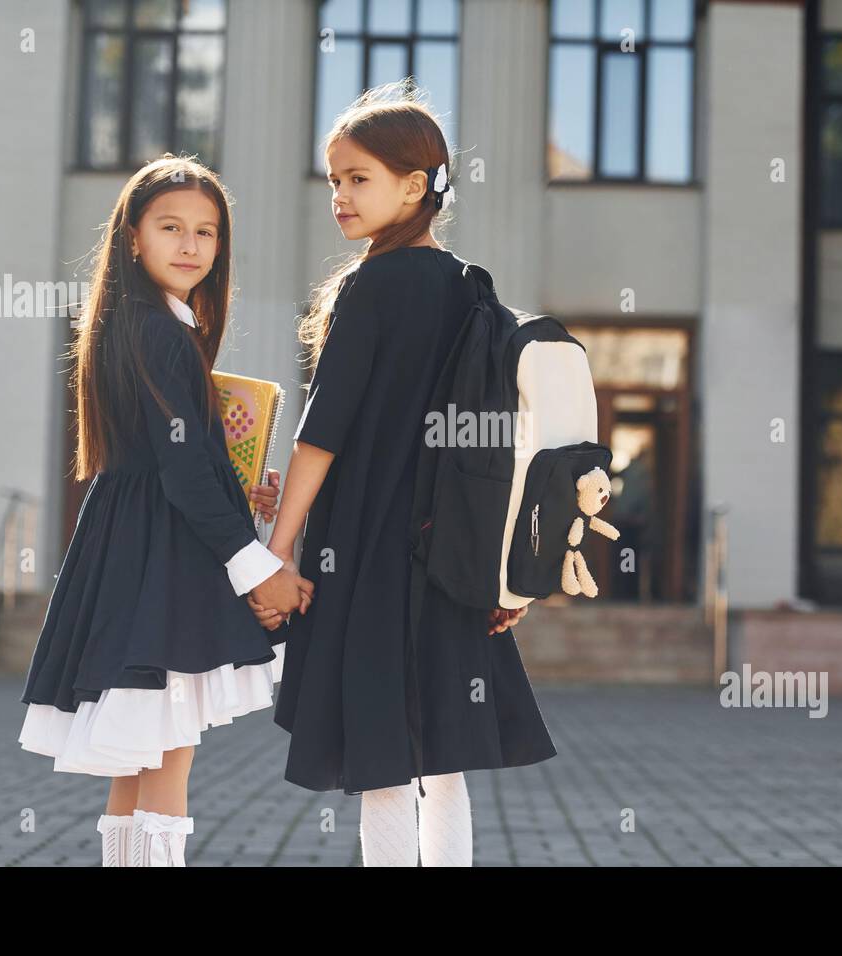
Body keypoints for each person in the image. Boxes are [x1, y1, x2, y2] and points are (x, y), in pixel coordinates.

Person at [248, 82, 555, 867]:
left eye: (359, 179)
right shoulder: (471, 289)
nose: (341, 197)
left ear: (415, 186)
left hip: (370, 550)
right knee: (444, 756)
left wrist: (278, 550)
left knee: (380, 754)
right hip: (453, 552)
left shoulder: (369, 287)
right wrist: (503, 566)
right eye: (334, 181)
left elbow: (324, 433)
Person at [17, 154, 314, 866]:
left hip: (137, 553)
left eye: (206, 232)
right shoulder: (158, 331)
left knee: (140, 768)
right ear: (133, 238)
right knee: (167, 764)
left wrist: (236, 489)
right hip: (162, 567)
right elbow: (180, 477)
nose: (190, 245)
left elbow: (171, 464)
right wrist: (259, 569)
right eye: (171, 227)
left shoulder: (142, 324)